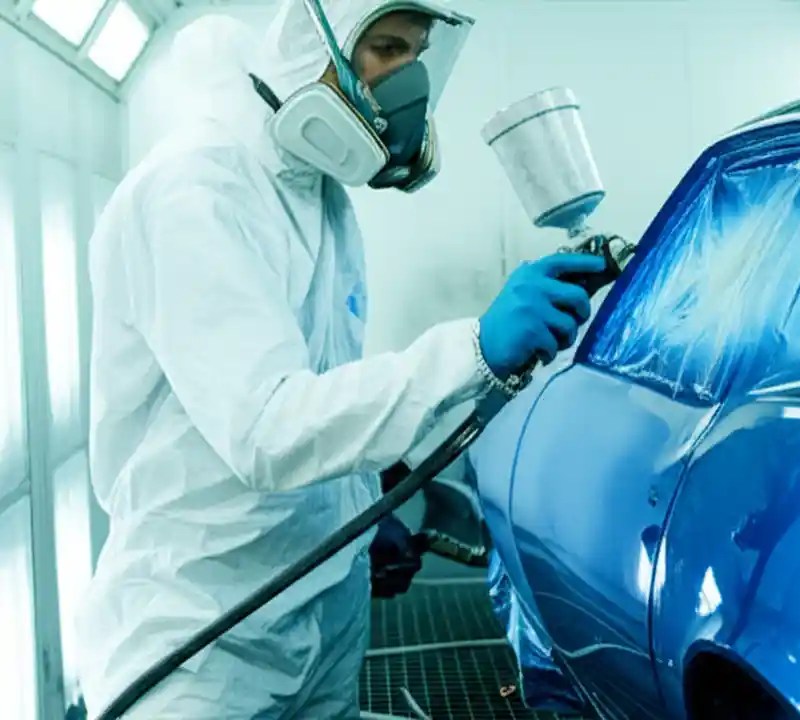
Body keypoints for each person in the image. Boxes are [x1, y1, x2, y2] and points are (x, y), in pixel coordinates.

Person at [76, 0, 603, 716]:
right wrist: (475, 346)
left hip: (323, 613)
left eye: (414, 55)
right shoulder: (196, 190)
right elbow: (267, 428)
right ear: (307, 45)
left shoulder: (321, 199)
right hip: (204, 643)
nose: (405, 79)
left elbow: (318, 387)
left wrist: (362, 501)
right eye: (384, 47)